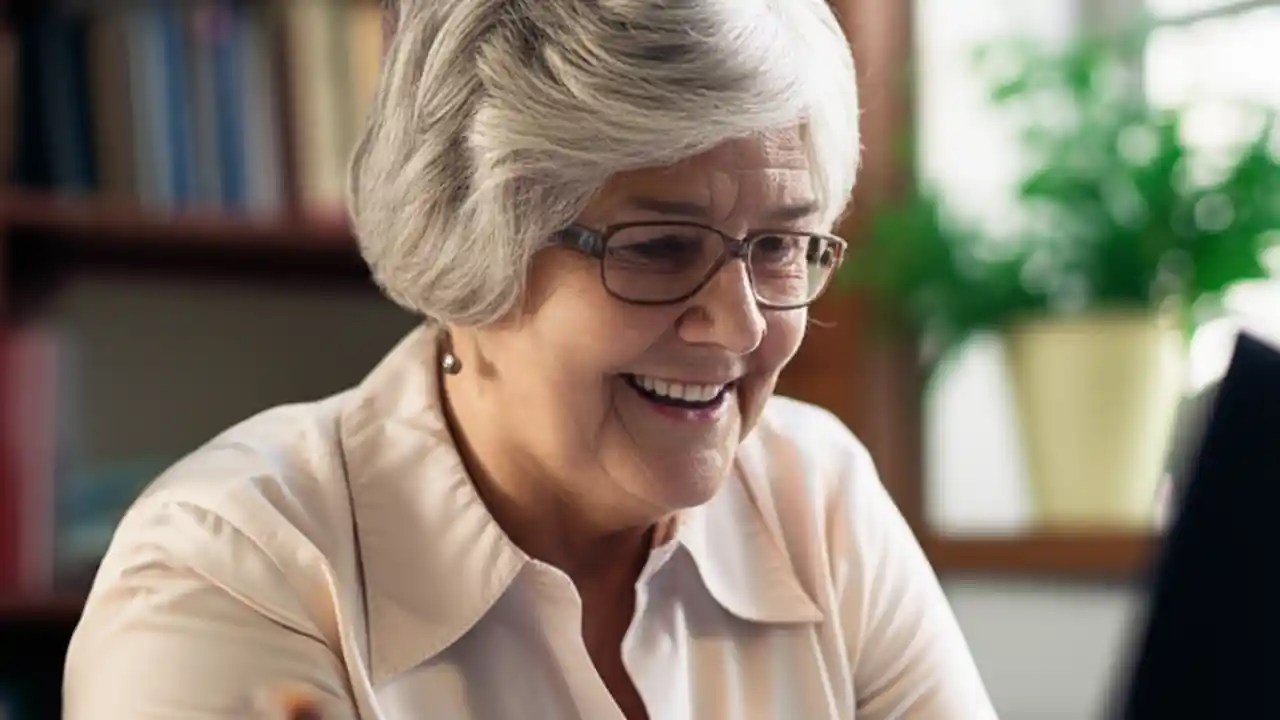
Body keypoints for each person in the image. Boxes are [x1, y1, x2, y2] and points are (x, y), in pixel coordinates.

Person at [63, 1, 995, 718]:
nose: (742, 326)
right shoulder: (231, 566)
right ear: (473, 244)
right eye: (659, 248)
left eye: (780, 247)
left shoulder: (816, 496)